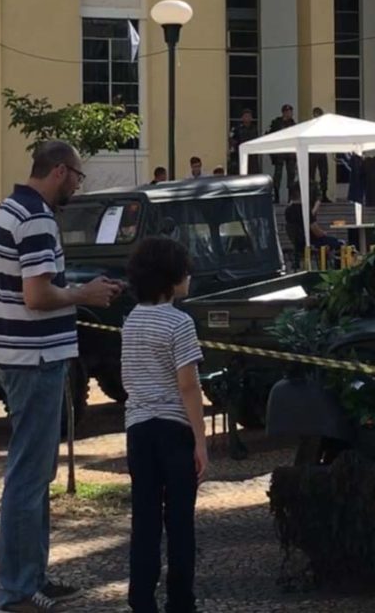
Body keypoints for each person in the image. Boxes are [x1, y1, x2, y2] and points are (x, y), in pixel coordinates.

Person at [0, 141, 122, 612]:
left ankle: (32, 578)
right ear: (61, 171)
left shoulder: (9, 209)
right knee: (29, 476)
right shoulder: (36, 218)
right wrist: (84, 295)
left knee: (34, 473)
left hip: (22, 355)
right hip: (37, 357)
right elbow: (37, 296)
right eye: (78, 177)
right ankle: (17, 590)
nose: (78, 187)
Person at [122, 236, 206, 613]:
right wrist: (201, 440)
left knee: (145, 520)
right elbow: (188, 386)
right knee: (179, 521)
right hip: (174, 428)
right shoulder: (180, 323)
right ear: (172, 278)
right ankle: (180, 601)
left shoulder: (131, 321)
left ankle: (141, 600)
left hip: (138, 428)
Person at [284, 186, 342, 264]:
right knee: (338, 243)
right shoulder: (304, 210)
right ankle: (333, 265)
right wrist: (323, 233)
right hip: (311, 241)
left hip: (297, 242)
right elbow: (316, 231)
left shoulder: (288, 211)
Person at [268, 104, 298, 204]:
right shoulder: (276, 123)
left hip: (290, 153)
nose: (290, 114)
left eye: (291, 112)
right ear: (284, 112)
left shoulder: (293, 124)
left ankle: (290, 197)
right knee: (278, 174)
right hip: (279, 152)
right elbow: (269, 135)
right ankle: (276, 196)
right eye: (288, 112)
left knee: (291, 175)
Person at [229, 109, 260, 175]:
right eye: (246, 116)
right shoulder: (237, 128)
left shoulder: (254, 128)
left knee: (253, 173)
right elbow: (231, 140)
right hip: (241, 154)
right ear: (242, 117)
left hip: (252, 155)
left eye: (249, 116)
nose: (247, 118)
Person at [308, 107, 330, 203]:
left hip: (321, 151)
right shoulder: (310, 126)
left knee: (324, 174)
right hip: (313, 152)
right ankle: (312, 195)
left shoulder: (324, 126)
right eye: (316, 115)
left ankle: (323, 194)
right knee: (311, 175)